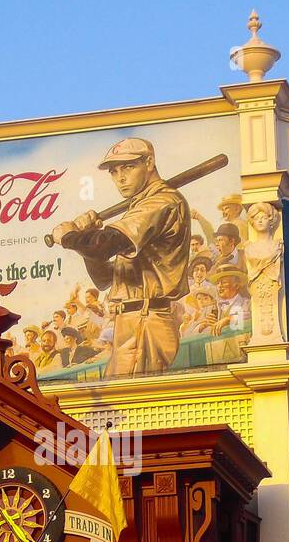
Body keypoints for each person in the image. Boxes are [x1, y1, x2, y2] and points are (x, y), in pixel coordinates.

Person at [51, 137, 190, 377]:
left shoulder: (161, 201)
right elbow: (105, 278)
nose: (120, 177)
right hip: (131, 320)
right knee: (118, 395)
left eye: (128, 167)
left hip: (146, 318)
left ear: (149, 162)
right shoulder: (139, 206)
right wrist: (86, 237)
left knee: (131, 397)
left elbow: (104, 246)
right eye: (114, 171)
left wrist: (70, 237)